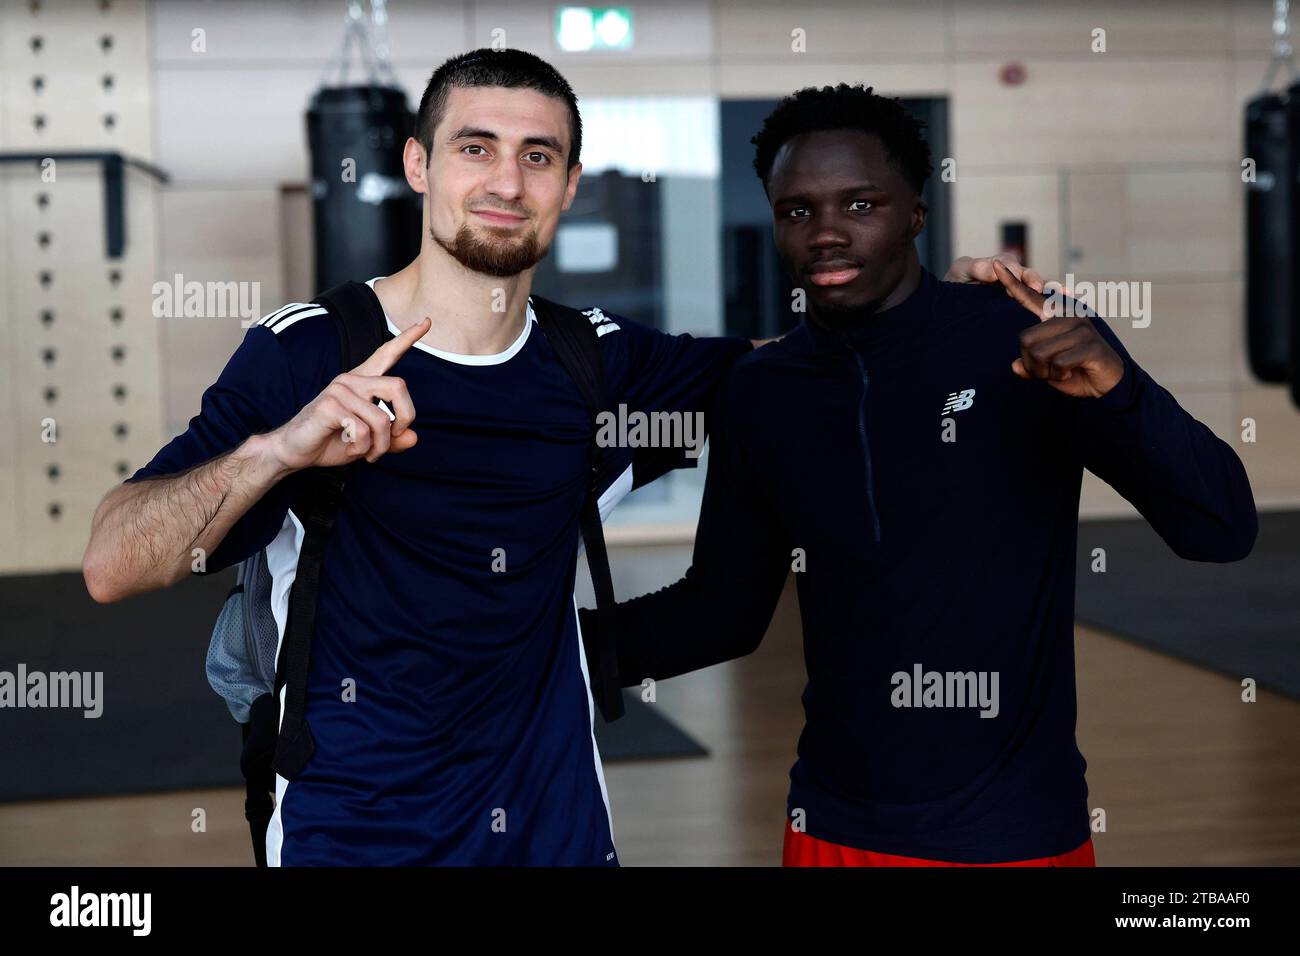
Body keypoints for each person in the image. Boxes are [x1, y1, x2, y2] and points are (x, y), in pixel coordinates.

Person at [585, 84, 1259, 867]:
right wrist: (523, 642)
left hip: (1015, 832)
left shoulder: (1028, 343)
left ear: (916, 213)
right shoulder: (762, 391)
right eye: (797, 211)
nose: (826, 234)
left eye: (861, 203)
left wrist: (1124, 392)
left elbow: (1222, 530)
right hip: (833, 828)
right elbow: (720, 613)